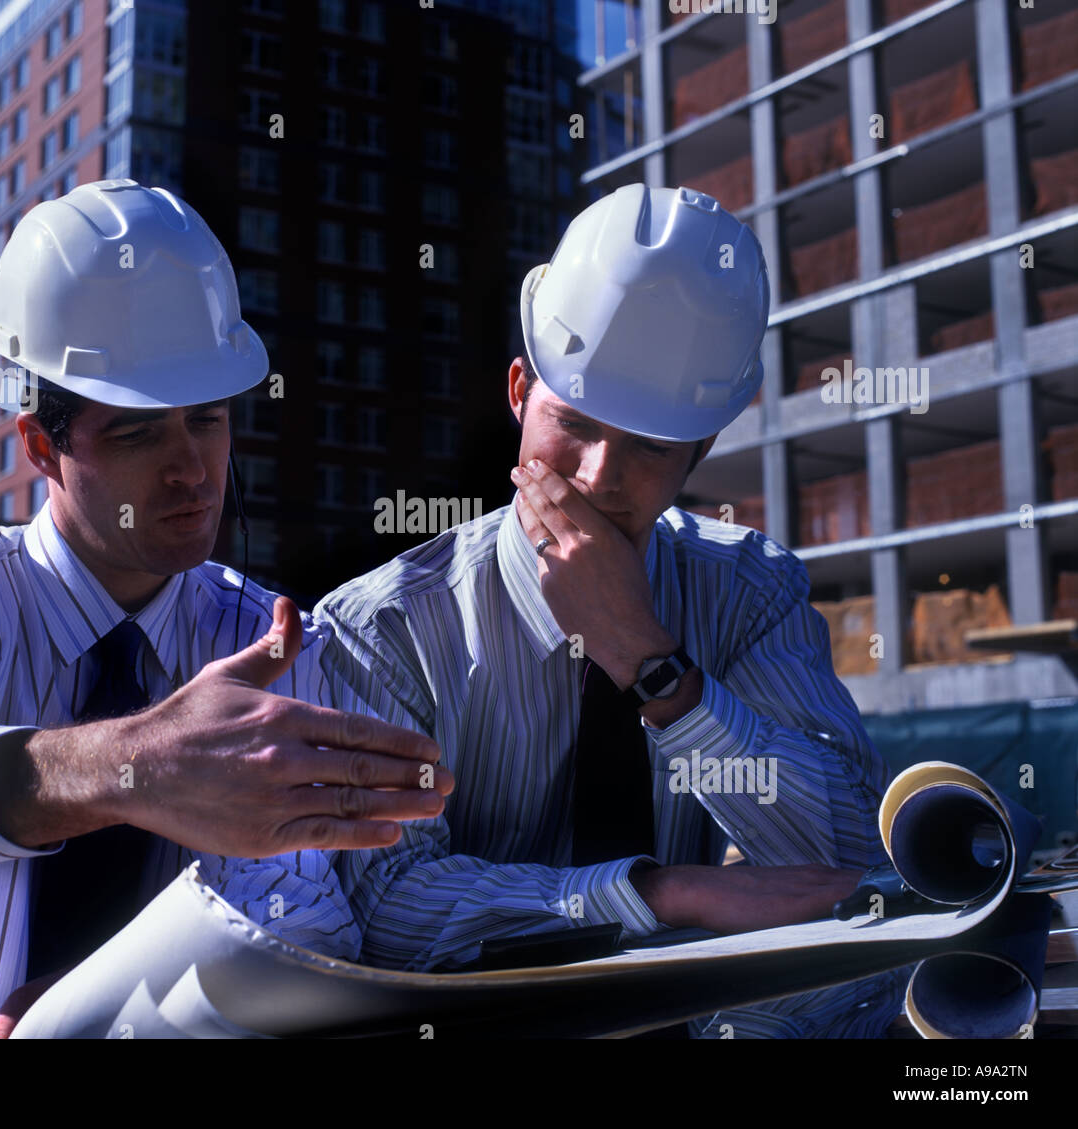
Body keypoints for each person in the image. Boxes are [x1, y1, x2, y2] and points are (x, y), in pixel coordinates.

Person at [0, 180, 448, 1039]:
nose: (194, 472)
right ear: (40, 446)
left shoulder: (273, 643)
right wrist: (124, 763)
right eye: (138, 433)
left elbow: (310, 926)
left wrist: (86, 1002)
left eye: (207, 420)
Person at [314, 184, 906, 1037]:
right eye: (576, 423)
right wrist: (657, 892)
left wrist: (654, 668)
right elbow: (383, 908)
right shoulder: (387, 629)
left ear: (701, 450)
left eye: (650, 449)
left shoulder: (749, 592)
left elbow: (852, 851)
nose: (596, 476)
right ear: (519, 390)